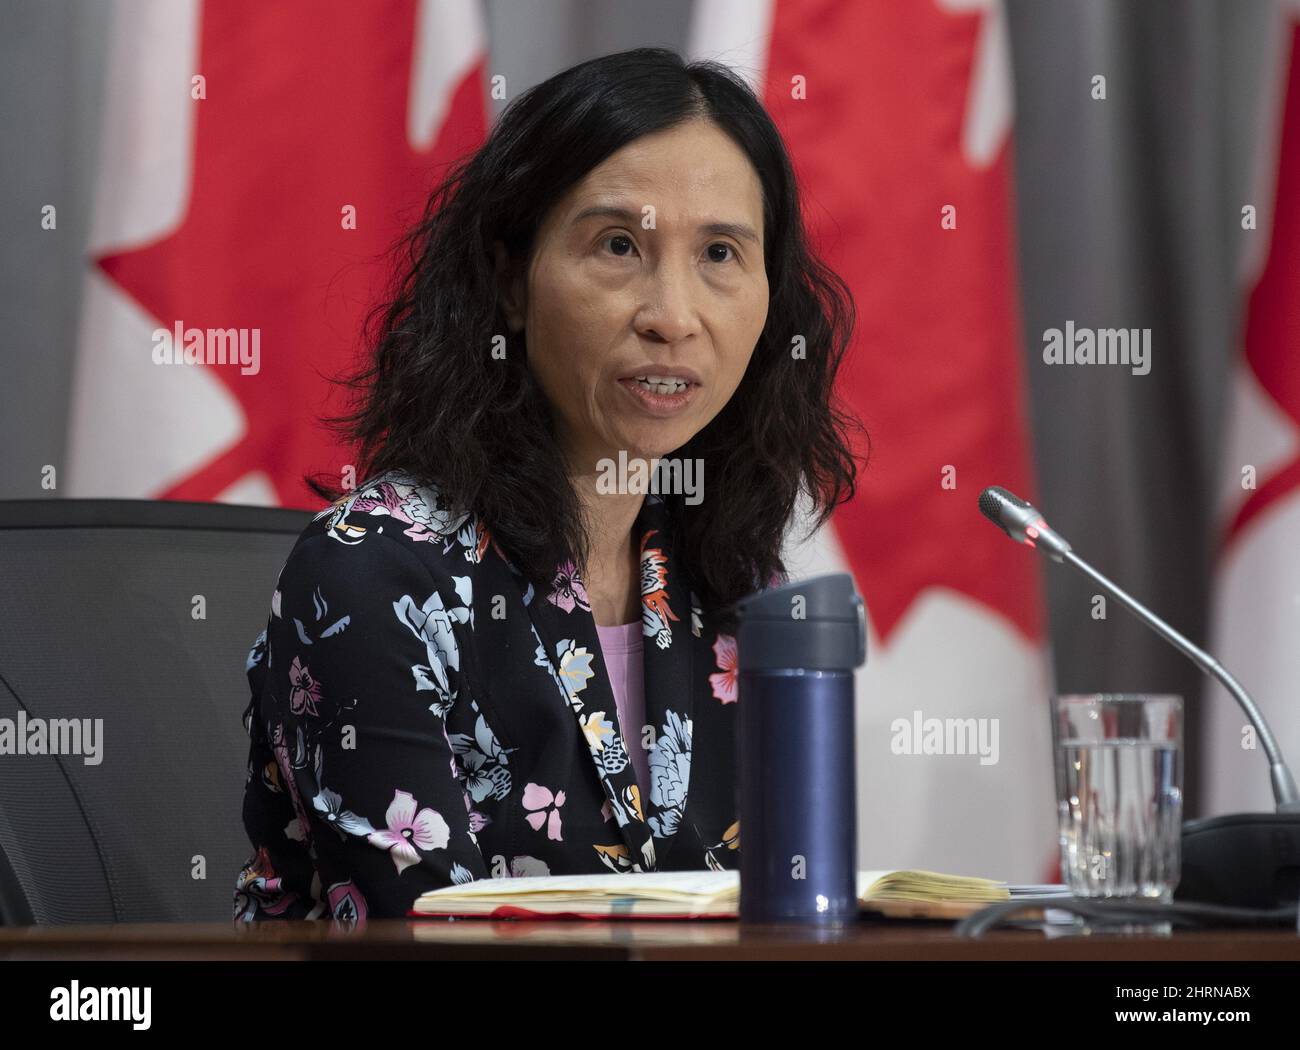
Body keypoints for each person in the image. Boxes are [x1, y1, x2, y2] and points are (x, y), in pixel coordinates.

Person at [233, 46, 862, 923]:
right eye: (617, 246)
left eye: (720, 252)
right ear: (510, 281)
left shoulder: (739, 588)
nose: (673, 316)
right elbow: (422, 937)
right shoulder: (375, 574)